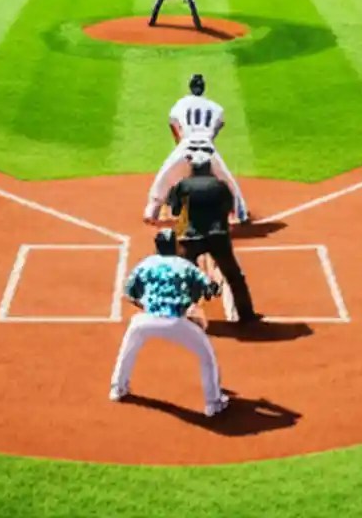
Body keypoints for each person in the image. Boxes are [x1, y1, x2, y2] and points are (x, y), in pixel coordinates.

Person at [109, 228, 229, 417]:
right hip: (177, 322)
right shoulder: (186, 266)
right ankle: (213, 403)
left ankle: (118, 388)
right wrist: (217, 281)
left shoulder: (145, 264)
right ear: (175, 246)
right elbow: (211, 291)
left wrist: (146, 307)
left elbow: (128, 292)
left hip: (146, 320)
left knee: (128, 347)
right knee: (207, 356)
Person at [144, 73, 250, 224]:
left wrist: (180, 147)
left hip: (186, 145)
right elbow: (216, 130)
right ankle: (240, 213)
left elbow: (174, 125)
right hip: (208, 147)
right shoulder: (216, 108)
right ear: (203, 88)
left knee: (164, 178)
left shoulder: (180, 104)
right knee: (228, 181)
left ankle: (151, 211)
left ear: (191, 87)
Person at [169, 154, 261, 324]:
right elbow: (228, 208)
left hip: (190, 237)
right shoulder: (220, 186)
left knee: (182, 275)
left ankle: (177, 313)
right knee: (233, 276)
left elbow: (175, 211)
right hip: (218, 236)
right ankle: (246, 315)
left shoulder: (182, 185)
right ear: (208, 168)